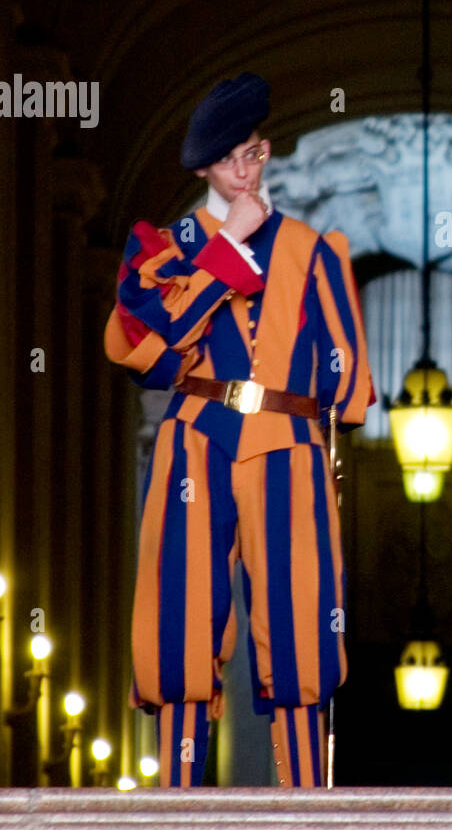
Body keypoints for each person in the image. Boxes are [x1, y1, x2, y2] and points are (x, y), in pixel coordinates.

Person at [105, 72, 373, 786]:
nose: (247, 171)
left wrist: (329, 425)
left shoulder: (316, 249)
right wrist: (230, 253)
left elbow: (348, 378)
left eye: (255, 154)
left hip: (287, 441)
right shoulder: (163, 249)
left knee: (299, 615)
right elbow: (150, 347)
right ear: (204, 169)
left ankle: (306, 796)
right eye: (232, 161)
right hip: (196, 432)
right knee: (182, 609)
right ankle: (180, 794)